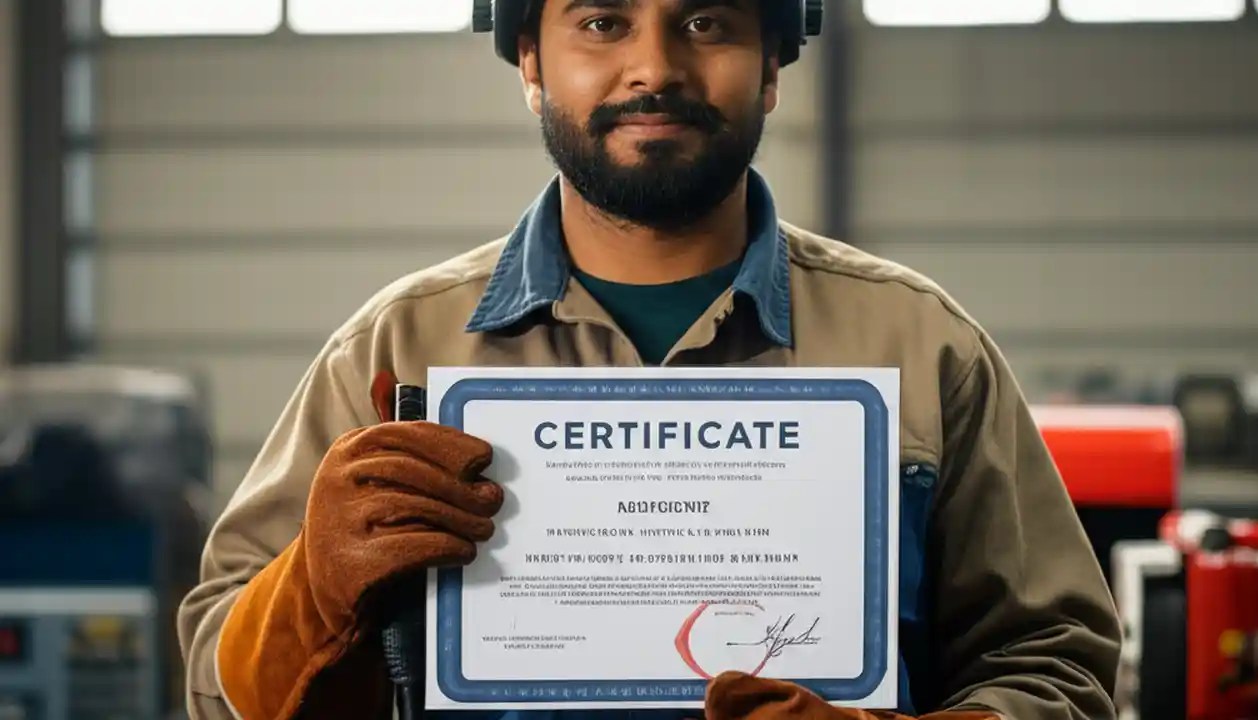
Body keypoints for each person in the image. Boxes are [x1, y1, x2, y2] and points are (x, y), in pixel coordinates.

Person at [176, 0, 1122, 718]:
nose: (653, 68)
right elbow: (215, 683)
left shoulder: (923, 343)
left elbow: (1058, 664)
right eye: (602, 22)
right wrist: (313, 588)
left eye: (706, 21)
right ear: (530, 61)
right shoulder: (395, 349)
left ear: (774, 64)